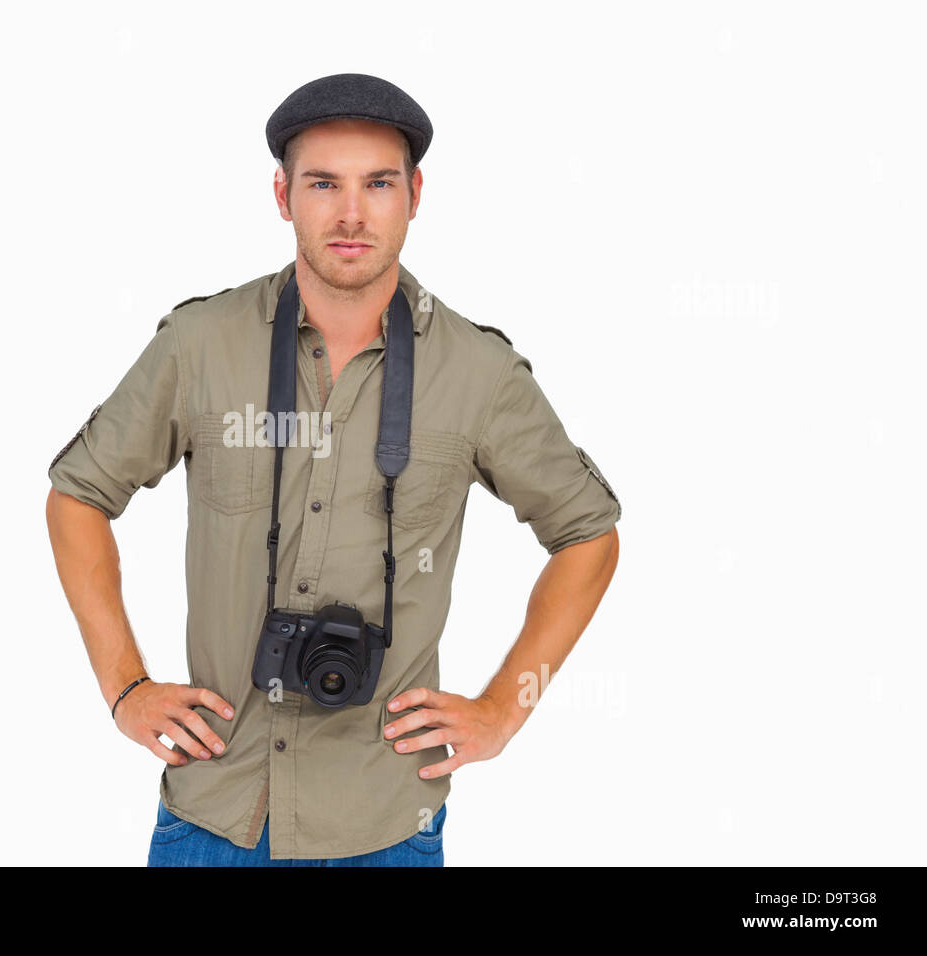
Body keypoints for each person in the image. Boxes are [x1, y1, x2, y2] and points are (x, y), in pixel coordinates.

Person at [44, 73, 622, 866]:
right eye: (323, 183)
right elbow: (79, 492)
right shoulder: (201, 344)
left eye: (379, 183)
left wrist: (503, 709)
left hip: (385, 820)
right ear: (282, 196)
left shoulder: (480, 374)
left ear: (416, 194)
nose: (351, 214)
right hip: (217, 809)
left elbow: (588, 532)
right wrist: (125, 689)